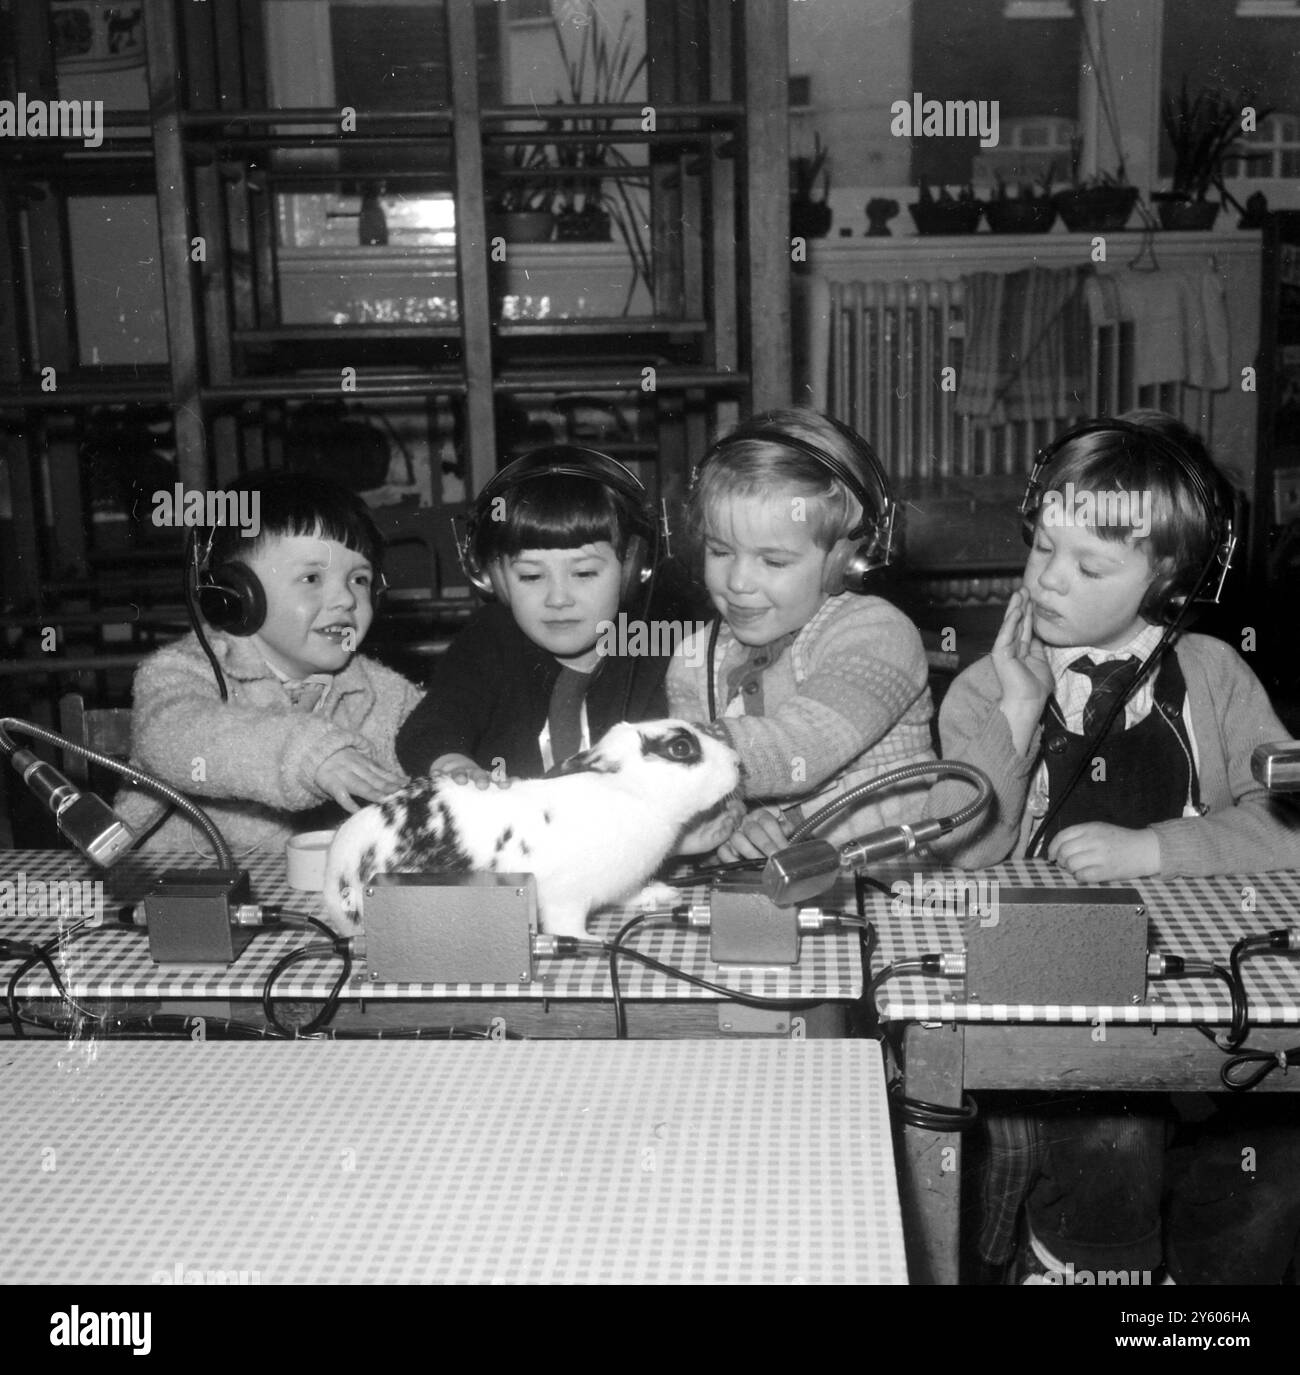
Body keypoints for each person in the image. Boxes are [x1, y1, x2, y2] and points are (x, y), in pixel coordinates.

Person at [929, 411, 1300, 1282]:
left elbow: (1289, 827)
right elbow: (960, 853)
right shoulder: (988, 686)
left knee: (1273, 1171)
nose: (1051, 580)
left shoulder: (1212, 673)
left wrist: (1158, 850)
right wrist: (1020, 709)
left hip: (1208, 1001)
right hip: (1066, 1018)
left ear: (1166, 573)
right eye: (1044, 547)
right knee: (1114, 1138)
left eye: (1091, 565)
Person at [667, 407, 934, 858]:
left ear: (845, 563)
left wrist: (674, 753)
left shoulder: (879, 634)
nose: (738, 582)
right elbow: (705, 801)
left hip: (891, 875)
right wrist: (729, 824)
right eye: (720, 550)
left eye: (773, 561)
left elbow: (802, 749)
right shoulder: (695, 657)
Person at [116, 470, 421, 856]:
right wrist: (310, 755)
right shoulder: (182, 669)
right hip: (172, 885)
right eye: (312, 577)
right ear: (236, 593)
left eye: (359, 579)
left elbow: (433, 745)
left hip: (303, 896)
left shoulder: (385, 694)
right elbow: (170, 734)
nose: (346, 599)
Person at [396, 445, 690, 785]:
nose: (558, 598)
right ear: (494, 578)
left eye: (584, 574)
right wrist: (452, 763)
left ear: (632, 568)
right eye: (531, 576)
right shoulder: (490, 639)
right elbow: (432, 726)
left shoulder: (658, 647)